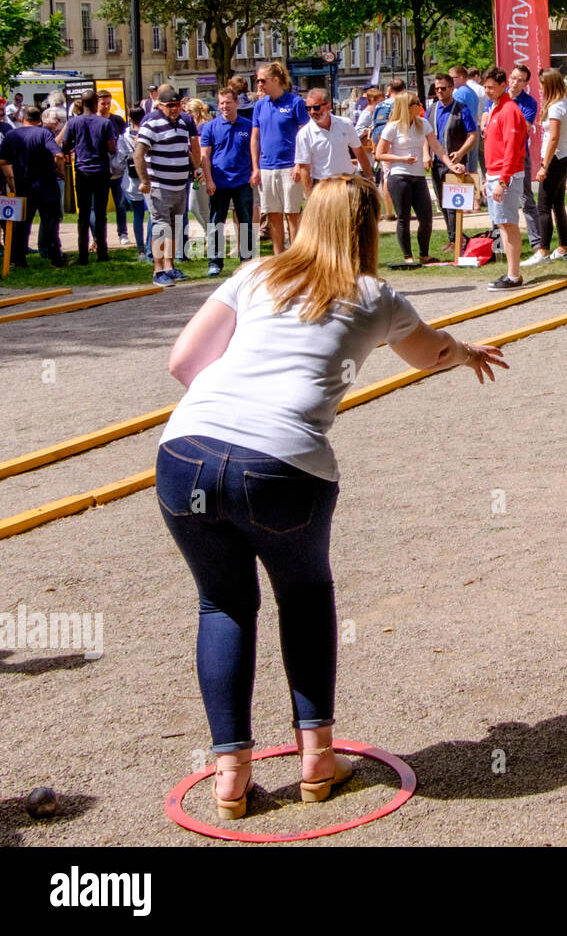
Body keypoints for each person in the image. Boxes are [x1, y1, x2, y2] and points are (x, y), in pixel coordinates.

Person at [156, 174, 506, 820]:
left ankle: (229, 776)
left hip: (185, 455)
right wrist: (466, 352)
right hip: (284, 466)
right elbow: (430, 355)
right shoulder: (375, 296)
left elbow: (184, 363)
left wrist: (238, 403)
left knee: (223, 605)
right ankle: (317, 757)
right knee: (305, 597)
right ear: (370, 227)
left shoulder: (257, 273)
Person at [375, 91, 464, 264]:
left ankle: (424, 254)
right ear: (406, 107)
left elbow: (437, 147)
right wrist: (401, 159)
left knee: (426, 217)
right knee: (403, 217)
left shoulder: (422, 124)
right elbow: (379, 154)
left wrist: (451, 165)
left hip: (418, 176)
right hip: (399, 176)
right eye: (416, 103)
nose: (420, 106)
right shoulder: (392, 127)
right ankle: (408, 256)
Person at [135, 87, 199, 286]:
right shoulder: (151, 124)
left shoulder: (182, 123)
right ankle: (158, 270)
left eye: (177, 105)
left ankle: (170, 267)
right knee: (161, 228)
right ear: (160, 105)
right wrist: (145, 181)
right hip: (159, 186)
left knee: (174, 227)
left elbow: (186, 150)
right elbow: (138, 154)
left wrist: (194, 169)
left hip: (180, 185)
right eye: (170, 105)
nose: (174, 108)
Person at [251, 62, 310, 254]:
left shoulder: (295, 103)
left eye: (262, 80)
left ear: (275, 80)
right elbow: (255, 137)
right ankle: (279, 255)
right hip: (267, 167)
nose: (258, 84)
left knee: (292, 213)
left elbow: (304, 136)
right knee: (272, 213)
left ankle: (295, 254)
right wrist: (255, 167)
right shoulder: (260, 105)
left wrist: (298, 164)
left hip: (289, 166)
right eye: (257, 80)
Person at [480, 67, 529, 290]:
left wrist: (502, 180)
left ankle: (513, 275)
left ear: (502, 86)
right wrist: (489, 178)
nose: (487, 90)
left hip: (505, 175)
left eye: (491, 87)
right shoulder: (495, 108)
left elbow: (512, 149)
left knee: (508, 224)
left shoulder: (509, 110)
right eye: (485, 87)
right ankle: (511, 271)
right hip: (495, 173)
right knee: (502, 223)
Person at [0, 105, 65, 267]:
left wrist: (14, 170)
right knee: (50, 223)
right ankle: (55, 257)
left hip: (23, 185)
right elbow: (58, 154)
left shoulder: (12, 135)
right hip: (47, 185)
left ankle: (18, 259)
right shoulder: (44, 133)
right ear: (40, 120)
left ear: (23, 118)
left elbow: (2, 160)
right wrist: (60, 171)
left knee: (21, 224)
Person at [201, 88, 255, 276]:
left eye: (228, 102)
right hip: (219, 181)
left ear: (236, 103)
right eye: (221, 103)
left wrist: (255, 172)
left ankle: (247, 259)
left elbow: (256, 151)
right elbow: (205, 156)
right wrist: (208, 180)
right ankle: (215, 262)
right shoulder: (210, 127)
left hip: (242, 181)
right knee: (216, 222)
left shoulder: (248, 126)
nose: (224, 106)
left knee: (246, 221)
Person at [523, 67, 567, 265]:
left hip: (556, 160)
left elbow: (553, 137)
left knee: (543, 207)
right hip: (564, 158)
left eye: (543, 85)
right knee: (558, 206)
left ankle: (543, 251)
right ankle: (562, 248)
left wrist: (544, 166)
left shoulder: (556, 107)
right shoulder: (563, 103)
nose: (541, 89)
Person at [62, 89, 117, 265]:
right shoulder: (104, 123)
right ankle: (102, 252)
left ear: (82, 103)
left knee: (83, 214)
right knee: (101, 213)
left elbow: (65, 145)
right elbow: (112, 149)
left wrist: (76, 146)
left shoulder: (73, 122)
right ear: (95, 103)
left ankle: (82, 255)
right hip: (101, 170)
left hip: (82, 171)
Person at [428, 73, 478, 252]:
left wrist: (461, 152)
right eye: (437, 89)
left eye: (443, 88)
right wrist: (426, 154)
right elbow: (427, 136)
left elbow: (473, 135)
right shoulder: (432, 109)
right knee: (442, 202)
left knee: (453, 203)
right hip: (436, 163)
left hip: (455, 163)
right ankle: (453, 237)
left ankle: (456, 239)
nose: (439, 91)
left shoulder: (461, 109)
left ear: (451, 88)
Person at [294, 87, 371, 195]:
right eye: (308, 108)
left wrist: (370, 178)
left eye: (316, 107)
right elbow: (304, 169)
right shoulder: (303, 135)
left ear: (328, 106)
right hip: (323, 187)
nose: (312, 112)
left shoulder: (346, 124)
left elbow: (359, 152)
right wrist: (310, 196)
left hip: (348, 183)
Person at [505, 65, 544, 254]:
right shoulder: (498, 98)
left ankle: (537, 242)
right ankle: (500, 244)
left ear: (526, 83)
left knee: (526, 198)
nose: (515, 82)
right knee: (499, 199)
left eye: (520, 80)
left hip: (520, 154)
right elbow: (486, 124)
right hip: (498, 155)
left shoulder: (529, 103)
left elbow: (523, 129)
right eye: (513, 78)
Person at [96, 90, 130, 249]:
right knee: (98, 207)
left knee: (120, 204)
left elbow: (123, 142)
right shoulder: (94, 120)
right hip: (99, 169)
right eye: (103, 103)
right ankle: (98, 237)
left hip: (117, 170)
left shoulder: (117, 120)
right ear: (97, 103)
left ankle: (122, 232)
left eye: (109, 103)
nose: (107, 106)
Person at [185, 99, 215, 254]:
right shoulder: (196, 127)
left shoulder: (202, 127)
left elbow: (203, 153)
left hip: (201, 173)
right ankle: (211, 236)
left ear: (195, 111)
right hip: (196, 173)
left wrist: (201, 170)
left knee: (199, 207)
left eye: (188, 111)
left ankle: (213, 238)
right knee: (197, 207)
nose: (186, 114)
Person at [121, 107, 149, 260]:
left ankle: (141, 249)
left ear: (130, 118)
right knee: (153, 215)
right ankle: (152, 246)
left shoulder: (124, 136)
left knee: (138, 215)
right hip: (149, 178)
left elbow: (120, 159)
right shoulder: (149, 131)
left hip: (132, 181)